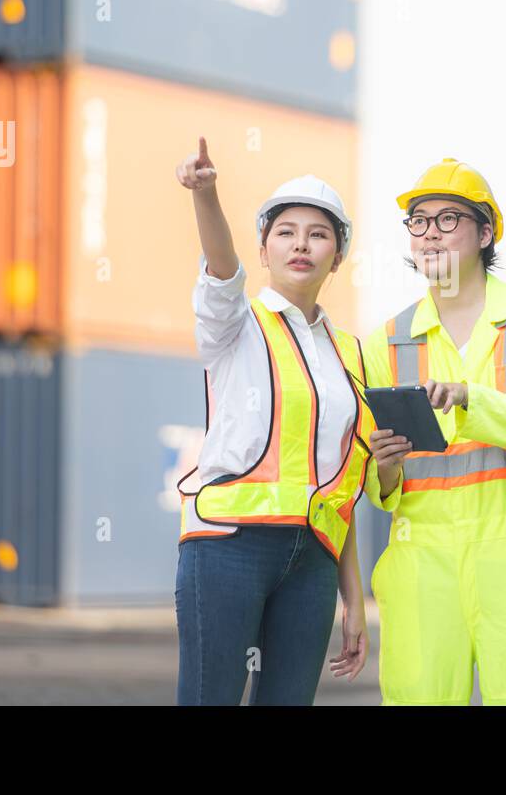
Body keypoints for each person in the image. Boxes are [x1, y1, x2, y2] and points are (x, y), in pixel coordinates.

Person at [361, 157, 506, 705]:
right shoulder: (386, 342)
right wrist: (384, 466)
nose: (430, 233)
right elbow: (372, 480)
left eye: (448, 219)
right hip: (420, 560)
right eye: (419, 220)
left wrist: (470, 399)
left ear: (486, 233)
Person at [173, 137, 371, 705]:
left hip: (311, 562)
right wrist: (206, 196)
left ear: (338, 253)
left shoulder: (350, 355)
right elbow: (220, 270)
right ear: (264, 250)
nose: (301, 245)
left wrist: (352, 598)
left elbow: (342, 487)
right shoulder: (234, 325)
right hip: (228, 548)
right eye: (285, 233)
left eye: (318, 234)